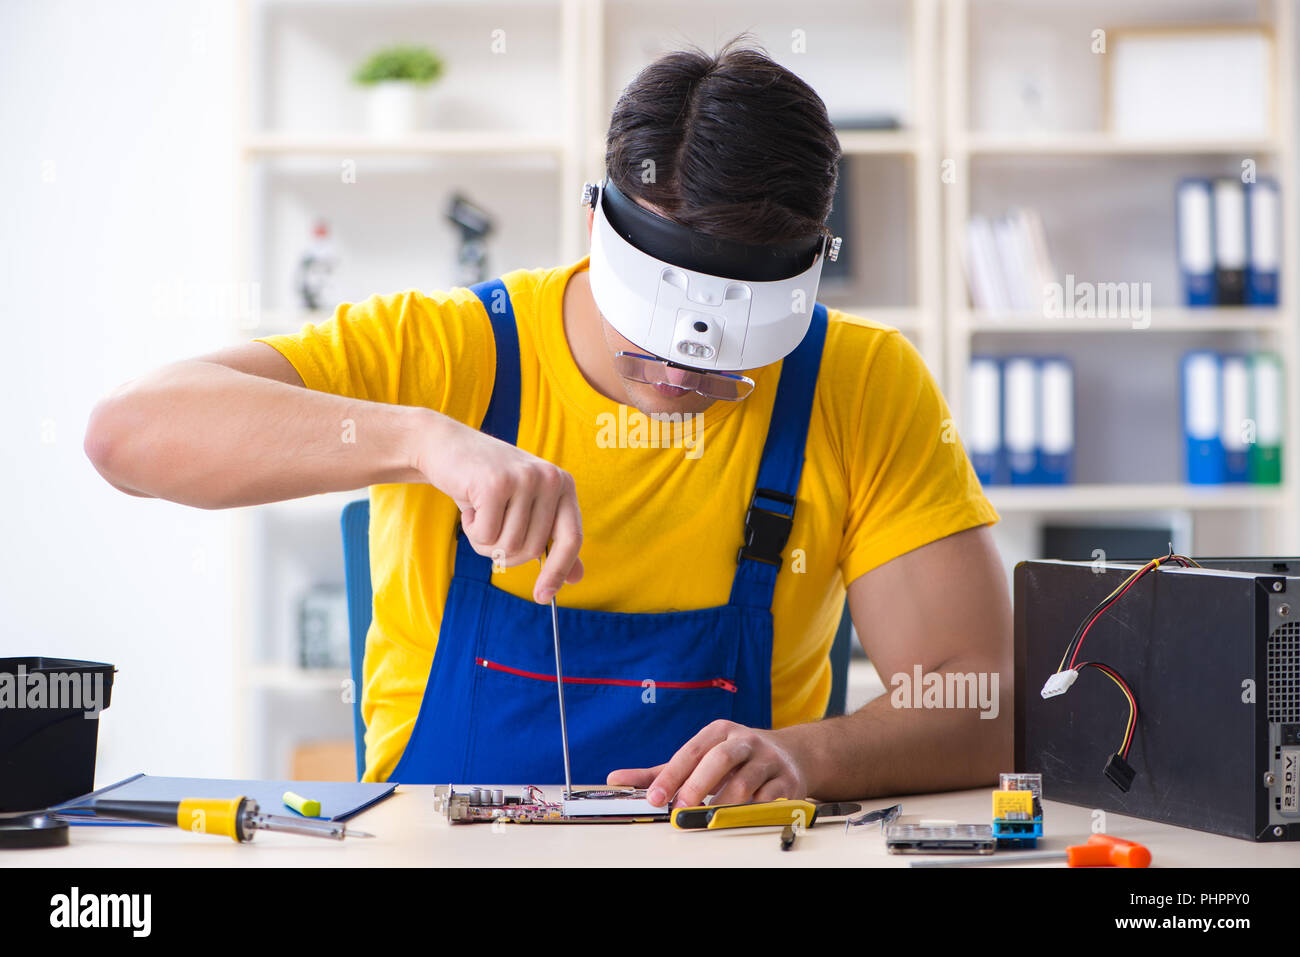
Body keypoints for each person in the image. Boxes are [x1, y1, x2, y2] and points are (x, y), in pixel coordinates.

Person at [85, 37, 1011, 808]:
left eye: (725, 363)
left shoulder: (860, 383)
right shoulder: (452, 350)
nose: (680, 378)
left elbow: (987, 701)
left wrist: (811, 758)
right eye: (651, 341)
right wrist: (420, 440)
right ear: (601, 224)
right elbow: (127, 436)